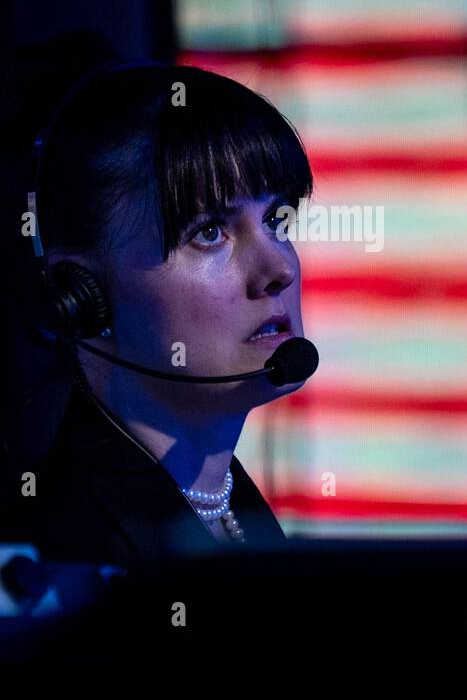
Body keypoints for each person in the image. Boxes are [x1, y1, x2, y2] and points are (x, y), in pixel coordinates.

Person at [17, 57, 314, 570]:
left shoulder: (231, 510)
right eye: (209, 232)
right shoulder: (66, 555)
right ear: (84, 295)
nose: (278, 268)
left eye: (275, 220)